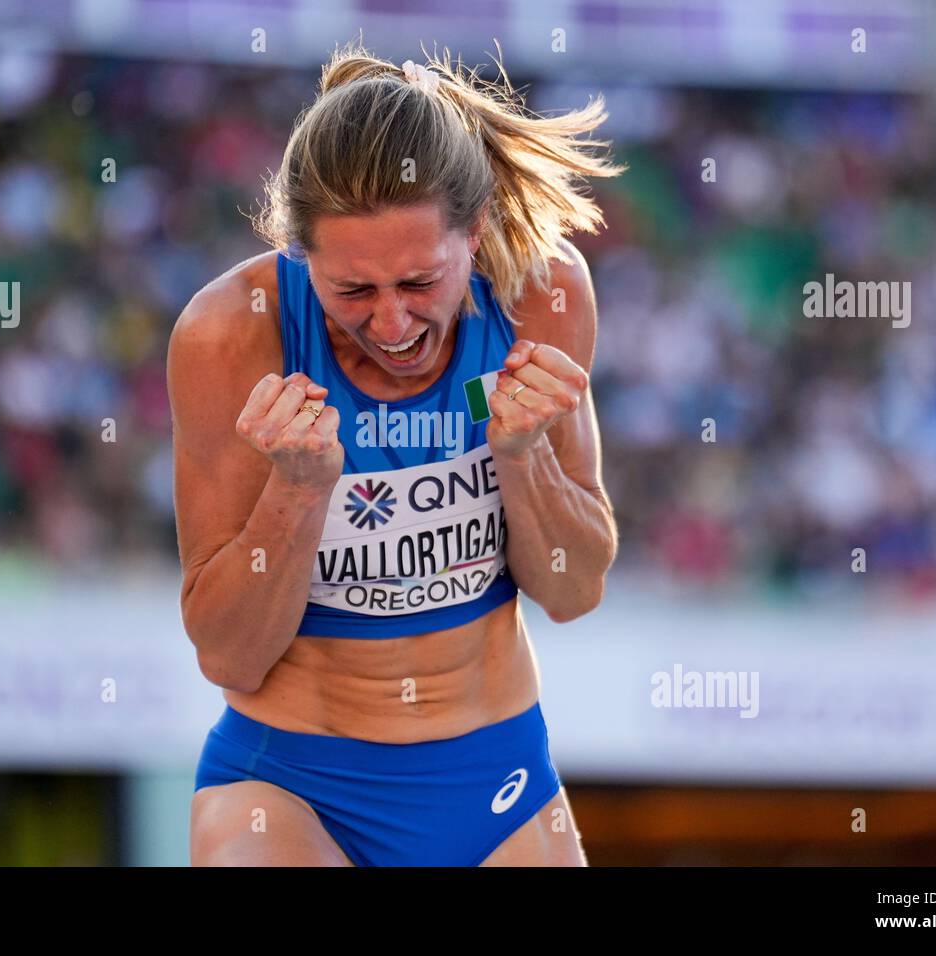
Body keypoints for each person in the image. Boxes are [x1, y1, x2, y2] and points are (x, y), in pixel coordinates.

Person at [168, 43, 623, 866]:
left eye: (420, 284)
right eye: (352, 292)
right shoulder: (231, 333)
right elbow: (227, 653)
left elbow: (574, 589)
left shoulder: (541, 292)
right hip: (292, 784)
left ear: (477, 232)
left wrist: (524, 460)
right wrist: (297, 494)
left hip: (497, 777)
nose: (390, 325)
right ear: (301, 256)